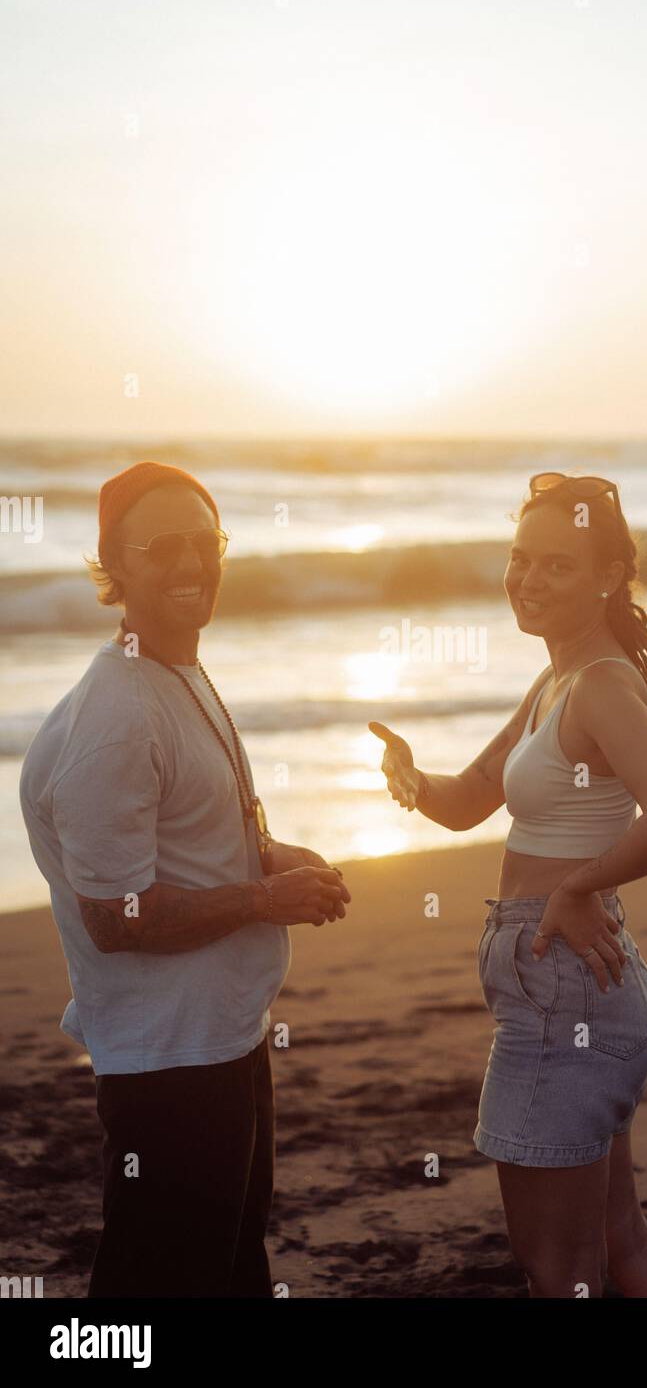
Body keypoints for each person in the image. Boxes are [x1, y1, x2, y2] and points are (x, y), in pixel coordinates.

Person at [370, 472, 647, 1298]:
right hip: (568, 985)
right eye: (521, 559)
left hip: (567, 985)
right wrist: (412, 779)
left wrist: (577, 888)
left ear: (607, 576)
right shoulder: (554, 683)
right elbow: (467, 802)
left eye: (558, 564)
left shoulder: (598, 683)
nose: (529, 579)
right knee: (615, 1241)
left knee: (560, 1269)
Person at [19, 460, 350, 1298]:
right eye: (164, 547)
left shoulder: (174, 671)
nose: (193, 566)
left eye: (206, 544)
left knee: (231, 1269)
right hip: (168, 1065)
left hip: (223, 1037)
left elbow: (192, 828)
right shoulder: (117, 711)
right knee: (155, 1284)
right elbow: (114, 917)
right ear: (115, 563)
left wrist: (270, 854)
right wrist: (263, 899)